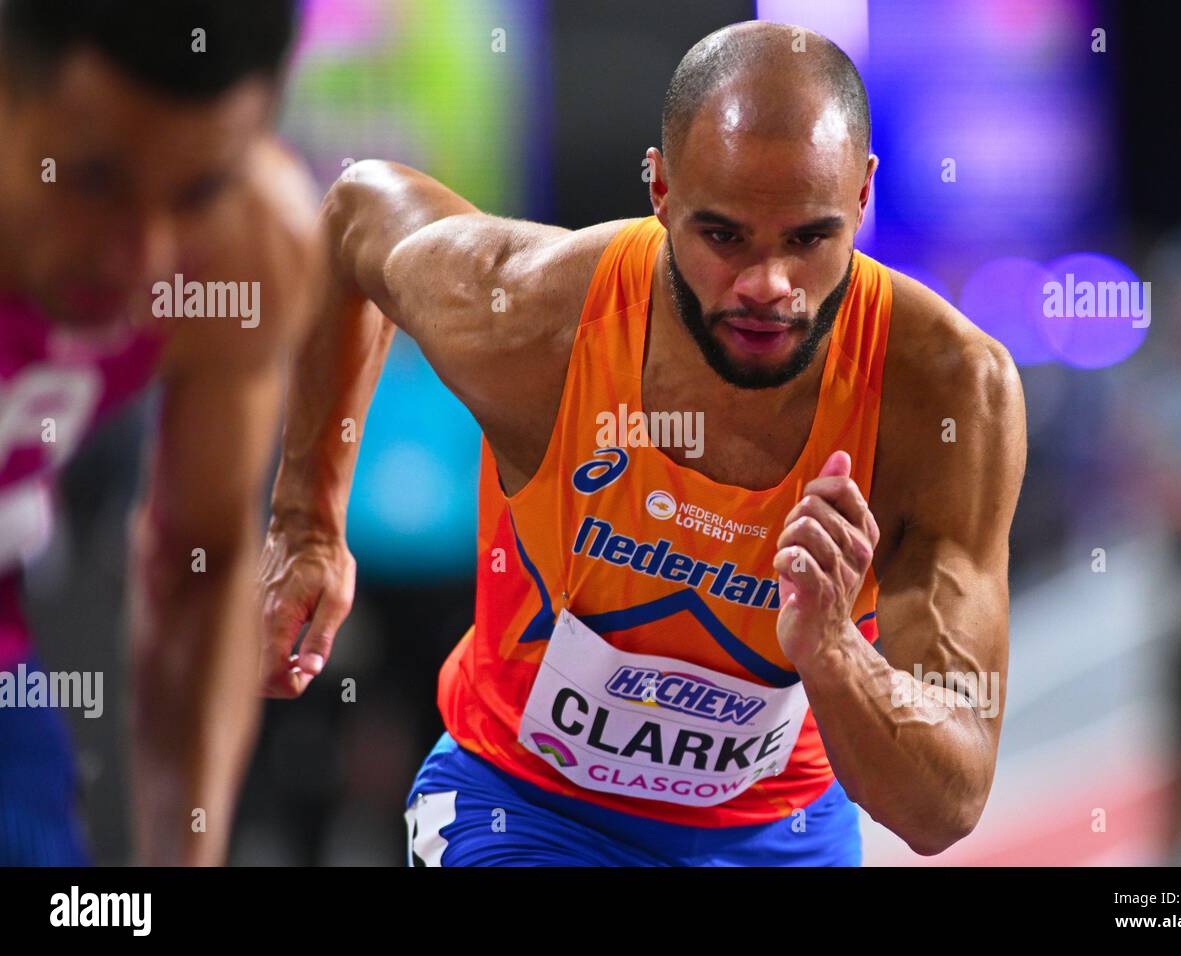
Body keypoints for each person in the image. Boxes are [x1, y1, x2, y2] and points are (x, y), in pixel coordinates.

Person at [259, 20, 1026, 865]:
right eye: (724, 236)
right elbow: (355, 212)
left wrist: (835, 652)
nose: (767, 286)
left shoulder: (946, 395)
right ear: (660, 190)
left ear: (861, 197)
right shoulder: (532, 320)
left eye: (809, 238)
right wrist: (307, 525)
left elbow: (944, 806)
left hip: (780, 835)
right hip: (525, 806)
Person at [0, 0, 319, 865]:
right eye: (96, 180)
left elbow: (200, 570)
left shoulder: (250, 245)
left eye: (198, 190)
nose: (144, 257)